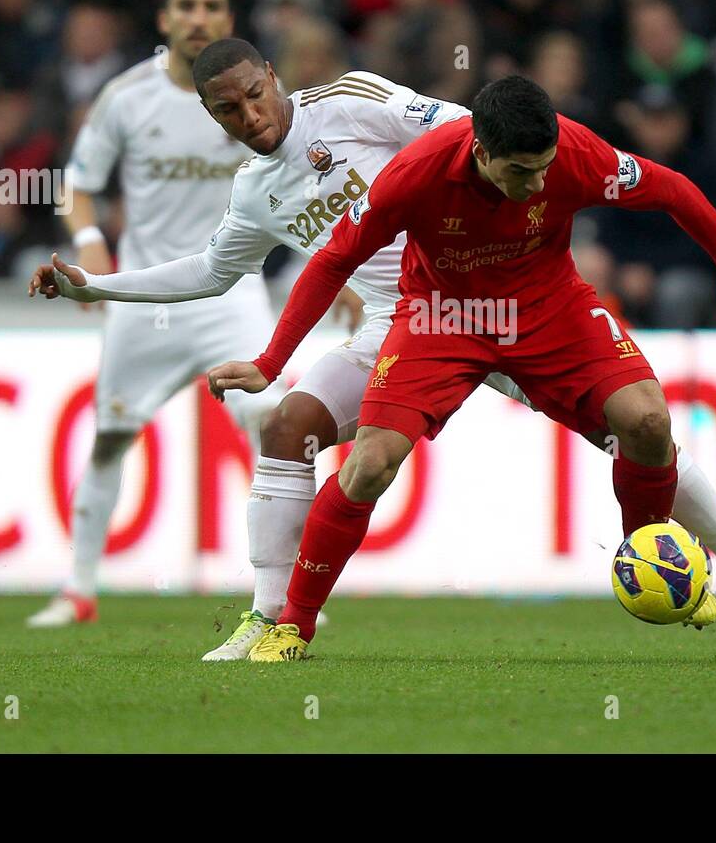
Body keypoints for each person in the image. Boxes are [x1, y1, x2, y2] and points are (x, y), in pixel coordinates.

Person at [207, 74, 716, 662]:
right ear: (481, 152)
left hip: (548, 308)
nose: (537, 185)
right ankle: (292, 624)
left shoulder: (575, 153)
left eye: (544, 168)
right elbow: (332, 261)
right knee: (370, 463)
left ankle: (653, 562)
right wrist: (272, 360)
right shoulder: (417, 172)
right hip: (441, 318)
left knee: (646, 422)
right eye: (520, 173)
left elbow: (671, 189)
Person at [31, 41, 523, 656]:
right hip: (402, 325)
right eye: (228, 110)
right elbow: (210, 272)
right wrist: (95, 285)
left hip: (496, 299)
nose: (250, 116)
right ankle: (270, 619)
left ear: (272, 75)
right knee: (288, 427)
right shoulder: (255, 191)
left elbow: (467, 130)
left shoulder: (349, 102)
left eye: (255, 95)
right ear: (212, 115)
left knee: (621, 423)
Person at [24, 0, 285, 628]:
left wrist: (336, 267)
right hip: (146, 297)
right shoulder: (127, 97)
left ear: (229, 22)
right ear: (166, 20)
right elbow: (77, 183)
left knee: (272, 425)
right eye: (186, 6)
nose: (199, 17)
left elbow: (304, 182)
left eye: (212, 6)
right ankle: (79, 589)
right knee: (112, 436)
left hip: (231, 293)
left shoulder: (253, 98)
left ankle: (283, 593)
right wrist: (89, 240)